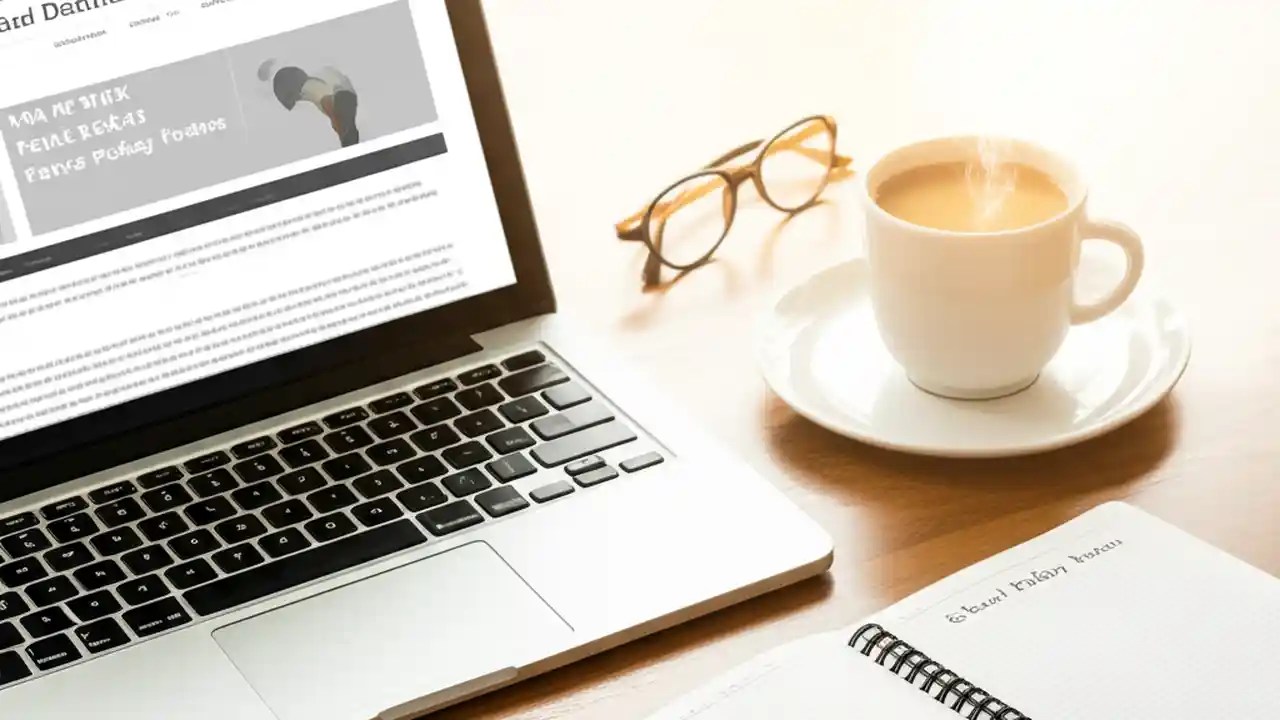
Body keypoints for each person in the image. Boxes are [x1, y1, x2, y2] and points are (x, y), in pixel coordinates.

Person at [257, 59, 360, 147]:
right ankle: (342, 130)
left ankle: (338, 118)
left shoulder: (278, 79)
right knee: (317, 95)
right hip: (305, 83)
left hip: (296, 84)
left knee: (316, 96)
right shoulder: (283, 70)